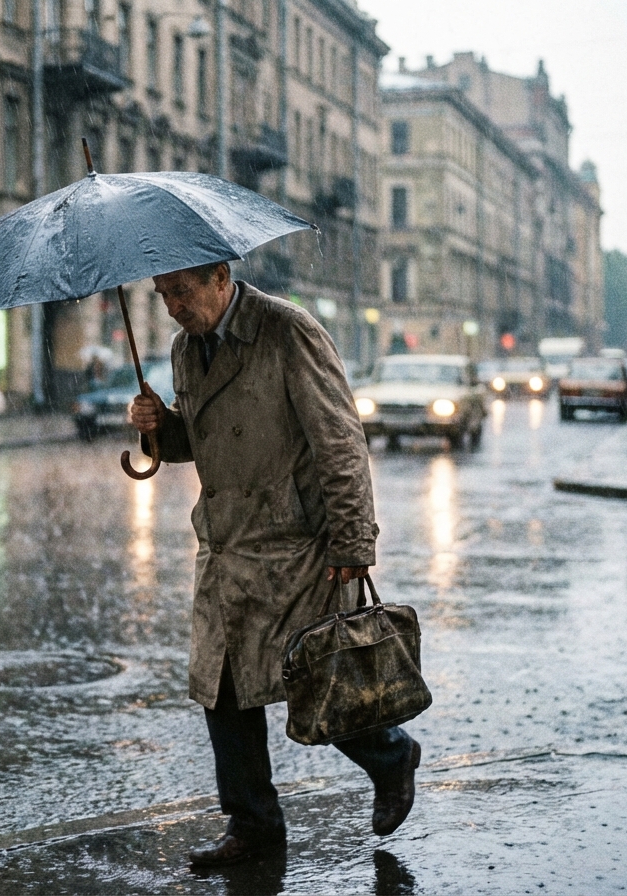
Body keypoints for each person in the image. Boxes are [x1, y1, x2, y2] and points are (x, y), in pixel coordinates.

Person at [129, 262, 420, 868]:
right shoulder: (185, 349)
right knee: (223, 691)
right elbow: (202, 444)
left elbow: (340, 440)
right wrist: (161, 428)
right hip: (225, 545)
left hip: (295, 545)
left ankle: (392, 756)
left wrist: (353, 541)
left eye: (181, 291)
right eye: (162, 295)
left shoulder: (288, 330)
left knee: (320, 677)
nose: (172, 306)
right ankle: (253, 826)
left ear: (219, 278)